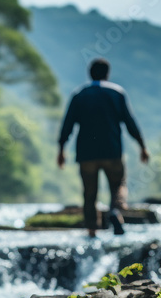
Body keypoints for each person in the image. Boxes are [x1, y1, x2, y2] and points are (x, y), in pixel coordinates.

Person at [57, 58, 149, 237]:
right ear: (108, 74)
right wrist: (142, 146)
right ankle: (115, 211)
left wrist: (61, 150)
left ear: (89, 74)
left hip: (86, 154)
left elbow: (67, 125)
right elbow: (130, 123)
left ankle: (92, 230)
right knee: (118, 185)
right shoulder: (117, 93)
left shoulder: (79, 95)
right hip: (112, 151)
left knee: (89, 193)